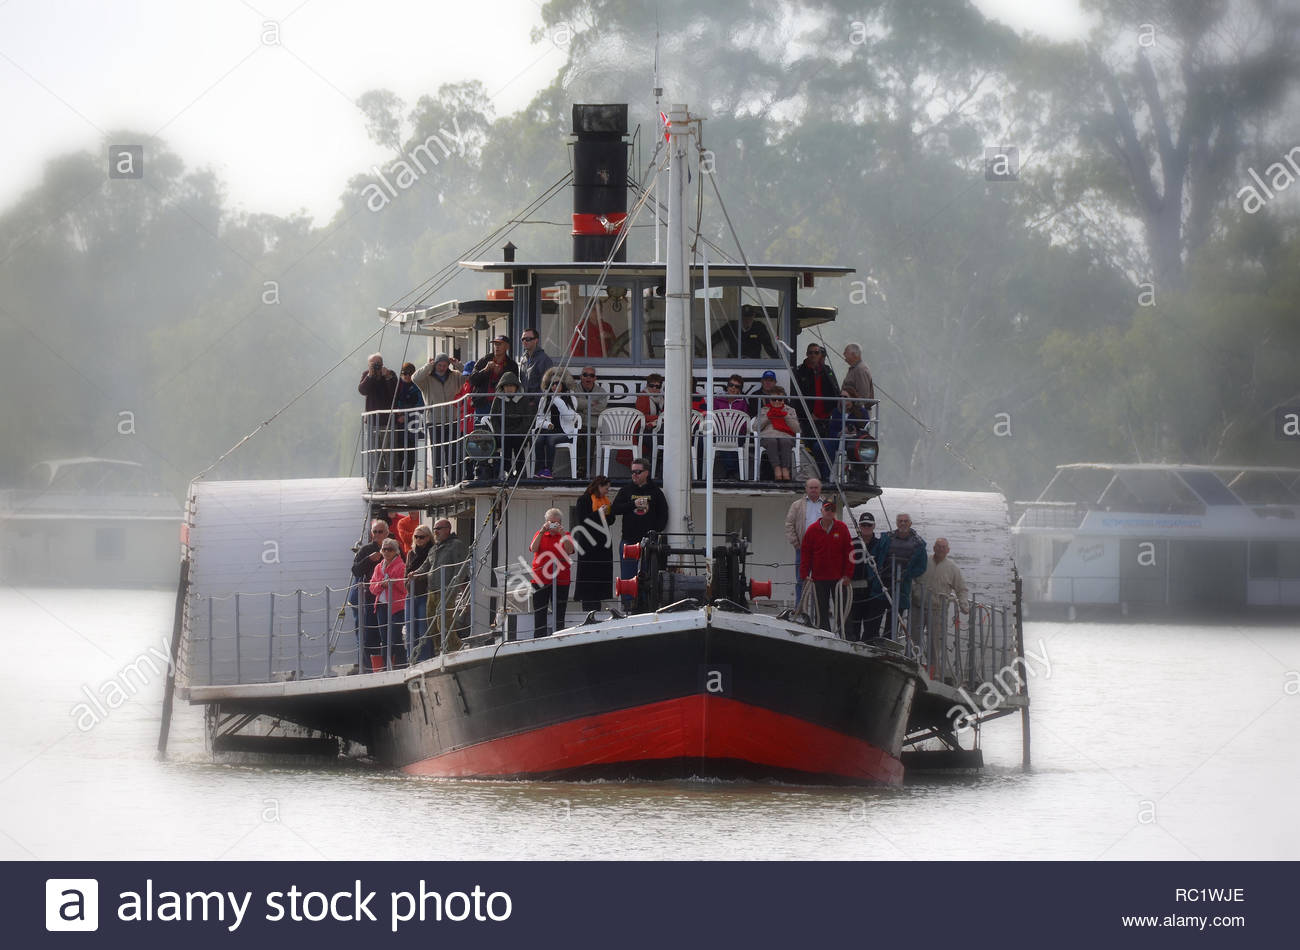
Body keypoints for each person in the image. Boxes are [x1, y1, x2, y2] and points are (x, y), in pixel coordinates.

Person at [610, 458, 669, 608]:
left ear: (646, 473)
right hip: (629, 540)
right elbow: (615, 509)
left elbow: (663, 515)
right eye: (632, 472)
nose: (634, 475)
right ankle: (628, 606)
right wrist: (632, 504)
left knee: (647, 575)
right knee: (628, 575)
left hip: (649, 542)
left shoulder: (655, 492)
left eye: (638, 472)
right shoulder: (626, 490)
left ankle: (645, 605)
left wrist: (654, 531)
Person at [799, 499, 853, 633]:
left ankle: (847, 637)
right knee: (821, 611)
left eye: (832, 510)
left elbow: (850, 553)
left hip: (839, 578)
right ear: (821, 511)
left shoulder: (842, 528)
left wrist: (848, 575)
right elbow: (805, 554)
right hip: (819, 578)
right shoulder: (812, 530)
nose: (829, 512)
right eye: (827, 509)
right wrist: (805, 575)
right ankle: (825, 636)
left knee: (843, 610)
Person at [791, 343, 839, 480]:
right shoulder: (800, 372)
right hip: (807, 418)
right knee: (811, 447)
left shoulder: (827, 371)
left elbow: (835, 392)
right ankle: (814, 476)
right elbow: (796, 398)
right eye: (811, 352)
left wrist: (830, 412)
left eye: (816, 352)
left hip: (825, 418)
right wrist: (808, 414)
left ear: (820, 355)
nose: (813, 355)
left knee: (825, 447)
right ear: (807, 354)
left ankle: (825, 476)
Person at [423, 518, 469, 657]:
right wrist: (415, 574)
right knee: (431, 623)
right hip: (432, 590)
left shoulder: (456, 545)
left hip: (446, 590)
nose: (435, 532)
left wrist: (453, 587)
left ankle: (456, 648)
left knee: (443, 622)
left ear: (447, 530)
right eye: (434, 529)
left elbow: (461, 567)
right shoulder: (434, 548)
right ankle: (439, 650)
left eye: (438, 529)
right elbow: (426, 565)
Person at [413, 353, 463, 479]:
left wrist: (457, 364)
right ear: (435, 364)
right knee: (437, 452)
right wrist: (428, 366)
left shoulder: (455, 376)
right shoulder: (426, 379)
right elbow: (415, 378)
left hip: (452, 419)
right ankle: (437, 480)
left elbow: (469, 375)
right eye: (439, 365)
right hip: (434, 420)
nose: (442, 368)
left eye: (445, 365)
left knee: (452, 451)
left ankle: (453, 479)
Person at [880, 512, 927, 640]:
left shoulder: (918, 543)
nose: (903, 523)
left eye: (905, 521)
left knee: (894, 619)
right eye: (900, 521)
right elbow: (879, 556)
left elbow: (922, 566)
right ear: (896, 523)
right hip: (883, 585)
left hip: (901, 586)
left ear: (910, 523)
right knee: (875, 614)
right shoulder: (887, 538)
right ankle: (870, 642)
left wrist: (906, 575)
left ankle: (888, 643)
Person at [530, 508, 575, 636]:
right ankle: (538, 640)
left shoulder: (566, 535)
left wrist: (562, 535)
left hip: (561, 580)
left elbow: (570, 550)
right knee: (540, 612)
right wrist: (542, 531)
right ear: (546, 522)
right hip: (540, 579)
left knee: (560, 612)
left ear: (560, 523)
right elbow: (533, 548)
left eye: (556, 523)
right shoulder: (540, 534)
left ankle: (559, 638)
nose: (553, 526)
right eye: (550, 522)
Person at [350, 518, 391, 659]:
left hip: (391, 598)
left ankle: (389, 663)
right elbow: (355, 571)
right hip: (371, 598)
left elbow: (403, 566)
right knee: (369, 634)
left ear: (387, 532)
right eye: (375, 532)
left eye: (381, 531)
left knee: (389, 632)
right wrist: (368, 559)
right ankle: (370, 666)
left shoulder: (393, 547)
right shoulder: (366, 550)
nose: (378, 534)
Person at [572, 475, 615, 610]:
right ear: (599, 486)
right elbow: (582, 521)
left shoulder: (605, 501)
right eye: (606, 488)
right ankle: (588, 608)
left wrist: (608, 513)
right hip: (588, 546)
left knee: (600, 579)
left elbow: (611, 520)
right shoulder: (584, 500)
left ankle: (598, 605)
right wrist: (599, 514)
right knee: (588, 580)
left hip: (603, 545)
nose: (607, 491)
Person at [848, 512, 890, 642]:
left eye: (869, 524)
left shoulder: (880, 545)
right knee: (853, 627)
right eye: (863, 524)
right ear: (859, 526)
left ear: (874, 526)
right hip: (854, 592)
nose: (866, 527)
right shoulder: (851, 543)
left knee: (871, 629)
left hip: (873, 593)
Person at [358, 353, 398, 489]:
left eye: (377, 364)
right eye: (372, 365)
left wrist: (387, 377)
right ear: (369, 365)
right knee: (374, 454)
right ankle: (378, 482)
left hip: (387, 422)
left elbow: (395, 393)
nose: (375, 367)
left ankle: (391, 481)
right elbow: (362, 390)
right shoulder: (366, 375)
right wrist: (370, 376)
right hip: (372, 423)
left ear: (382, 363)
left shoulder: (390, 374)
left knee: (389, 453)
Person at [369, 537, 408, 669]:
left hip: (397, 607)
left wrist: (391, 582)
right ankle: (387, 666)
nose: (386, 552)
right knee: (384, 639)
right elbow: (372, 587)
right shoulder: (378, 567)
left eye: (390, 549)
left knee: (395, 637)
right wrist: (382, 584)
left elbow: (404, 587)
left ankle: (402, 664)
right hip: (381, 606)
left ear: (396, 552)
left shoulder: (401, 566)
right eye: (384, 549)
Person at [534, 368, 581, 478]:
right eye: (552, 384)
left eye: (557, 383)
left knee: (551, 439)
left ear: (563, 385)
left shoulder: (570, 398)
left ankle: (549, 471)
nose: (554, 386)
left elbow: (570, 418)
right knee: (539, 438)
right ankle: (540, 469)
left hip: (566, 433)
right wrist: (548, 425)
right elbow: (539, 419)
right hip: (550, 430)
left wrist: (557, 400)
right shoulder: (544, 399)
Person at [784, 477, 823, 604]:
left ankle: (818, 610)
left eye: (816, 487)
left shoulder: (827, 505)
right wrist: (796, 544)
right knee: (801, 580)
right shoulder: (796, 505)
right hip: (802, 549)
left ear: (820, 489)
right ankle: (799, 608)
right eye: (811, 487)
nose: (813, 490)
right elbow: (789, 525)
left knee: (820, 581)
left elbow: (834, 524)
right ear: (806, 489)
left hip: (821, 551)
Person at [915, 537, 970, 619]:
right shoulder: (923, 561)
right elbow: (911, 578)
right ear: (934, 548)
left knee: (936, 632)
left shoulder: (953, 568)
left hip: (938, 610)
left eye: (943, 547)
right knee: (914, 632)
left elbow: (961, 589)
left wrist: (963, 605)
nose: (941, 549)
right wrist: (914, 592)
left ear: (948, 550)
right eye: (938, 546)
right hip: (917, 607)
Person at [490, 372, 533, 476]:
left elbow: (527, 419)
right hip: (503, 432)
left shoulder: (523, 400)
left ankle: (520, 473)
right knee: (506, 443)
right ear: (502, 387)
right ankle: (507, 472)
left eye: (511, 386)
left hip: (520, 432)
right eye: (507, 386)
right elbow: (494, 418)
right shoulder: (498, 400)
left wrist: (519, 432)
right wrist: (500, 432)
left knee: (519, 443)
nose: (509, 388)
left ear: (516, 387)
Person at [756, 386, 800, 481]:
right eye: (774, 399)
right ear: (770, 400)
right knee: (772, 441)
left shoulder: (790, 410)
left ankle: (785, 469)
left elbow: (797, 429)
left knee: (785, 441)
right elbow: (755, 427)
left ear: (783, 400)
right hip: (768, 436)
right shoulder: (764, 410)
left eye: (779, 399)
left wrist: (786, 416)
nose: (776, 402)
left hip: (786, 436)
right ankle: (777, 469)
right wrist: (768, 417)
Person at [572, 366, 610, 475]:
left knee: (589, 438)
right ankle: (579, 469)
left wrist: (583, 408)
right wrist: (591, 404)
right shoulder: (574, 390)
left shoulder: (601, 392)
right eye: (585, 375)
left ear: (595, 378)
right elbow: (573, 404)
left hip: (592, 425)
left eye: (591, 375)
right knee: (578, 438)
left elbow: (601, 408)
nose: (588, 378)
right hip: (576, 425)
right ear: (581, 377)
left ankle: (583, 470)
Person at [710, 374, 750, 478]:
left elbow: (745, 421)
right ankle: (732, 472)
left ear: (739, 390)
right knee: (724, 437)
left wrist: (734, 429)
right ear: (727, 386)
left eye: (737, 387)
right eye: (731, 385)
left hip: (737, 434)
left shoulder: (743, 403)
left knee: (731, 438)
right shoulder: (717, 400)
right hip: (720, 433)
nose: (733, 388)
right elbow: (712, 416)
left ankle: (731, 472)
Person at [404, 524, 434, 659]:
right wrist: (407, 582)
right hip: (411, 595)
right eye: (416, 537)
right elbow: (406, 573)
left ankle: (425, 659)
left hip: (425, 595)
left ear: (428, 537)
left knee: (424, 630)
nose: (419, 539)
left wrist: (416, 576)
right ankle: (411, 660)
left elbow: (430, 571)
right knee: (410, 631)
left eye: (422, 537)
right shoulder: (411, 553)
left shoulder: (432, 551)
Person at [394, 363, 425, 489]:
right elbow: (393, 402)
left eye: (409, 373)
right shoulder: (398, 387)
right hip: (399, 425)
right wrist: (397, 415)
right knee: (399, 454)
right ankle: (398, 480)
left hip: (413, 424)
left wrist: (405, 414)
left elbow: (420, 404)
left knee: (411, 454)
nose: (406, 376)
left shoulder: (417, 387)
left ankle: (406, 481)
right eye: (404, 373)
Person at [469, 335, 518, 412]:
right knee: (481, 424)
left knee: (500, 424)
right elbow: (472, 380)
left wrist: (501, 374)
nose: (497, 347)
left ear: (507, 346)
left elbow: (514, 385)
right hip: (482, 404)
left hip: (502, 405)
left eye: (500, 344)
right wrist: (485, 370)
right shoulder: (483, 360)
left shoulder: (512, 365)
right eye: (495, 344)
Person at [711, 304, 780, 358]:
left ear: (753, 316)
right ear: (740, 316)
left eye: (749, 316)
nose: (747, 319)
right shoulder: (732, 326)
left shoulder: (759, 327)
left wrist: (777, 360)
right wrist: (708, 355)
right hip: (734, 363)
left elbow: (768, 346)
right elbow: (713, 339)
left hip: (753, 363)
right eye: (744, 316)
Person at [635, 373, 664, 466]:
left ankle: (654, 468)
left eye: (658, 386)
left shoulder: (662, 398)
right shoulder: (643, 396)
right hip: (643, 428)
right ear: (647, 385)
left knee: (662, 440)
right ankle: (651, 467)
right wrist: (660, 417)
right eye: (652, 386)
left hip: (656, 427)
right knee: (658, 442)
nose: (655, 389)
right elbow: (641, 416)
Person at [517, 327, 553, 395]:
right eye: (523, 339)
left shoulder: (544, 360)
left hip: (537, 403)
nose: (524, 341)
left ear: (536, 340)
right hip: (525, 401)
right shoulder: (523, 359)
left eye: (528, 339)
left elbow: (547, 384)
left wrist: (535, 401)